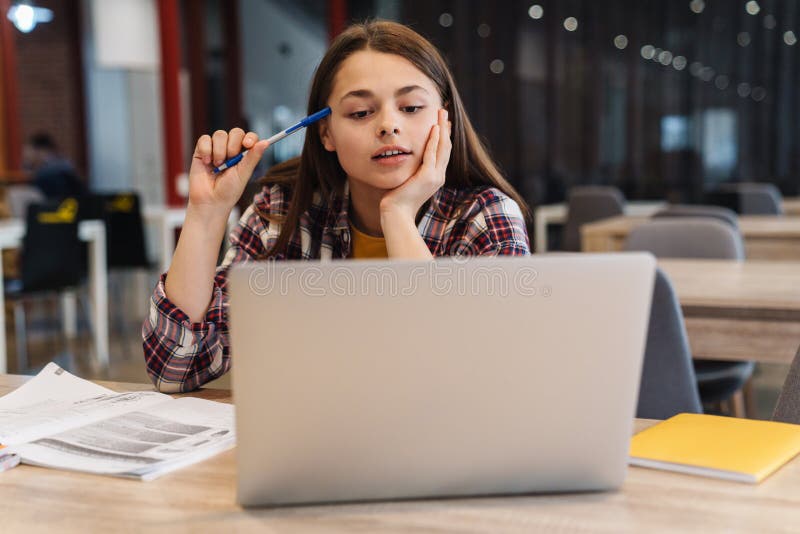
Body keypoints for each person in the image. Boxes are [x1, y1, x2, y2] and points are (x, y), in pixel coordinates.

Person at [143, 20, 532, 392]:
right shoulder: (286, 210)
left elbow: (479, 379)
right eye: (361, 113)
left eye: (411, 107)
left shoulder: (485, 216)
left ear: (443, 119)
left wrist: (397, 216)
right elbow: (177, 366)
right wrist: (207, 213)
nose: (388, 126)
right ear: (326, 132)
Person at [22, 132, 86, 199]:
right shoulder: (64, 165)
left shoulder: (48, 175)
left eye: (28, 151)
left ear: (42, 151)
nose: (26, 156)